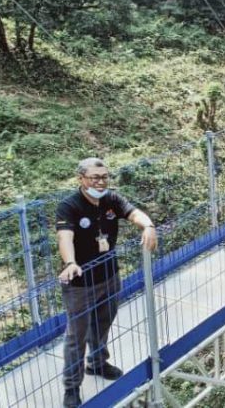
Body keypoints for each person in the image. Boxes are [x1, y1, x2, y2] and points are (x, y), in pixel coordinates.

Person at [57, 158, 157, 408]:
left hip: (109, 276)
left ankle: (97, 362)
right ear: (81, 179)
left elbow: (133, 213)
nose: (100, 182)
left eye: (104, 177)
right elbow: (65, 237)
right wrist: (70, 263)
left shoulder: (111, 199)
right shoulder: (69, 206)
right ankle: (71, 387)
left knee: (103, 323)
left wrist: (149, 225)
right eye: (94, 177)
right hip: (80, 283)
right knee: (76, 337)